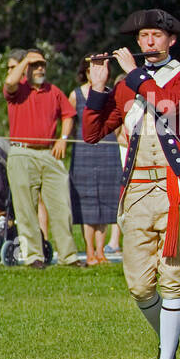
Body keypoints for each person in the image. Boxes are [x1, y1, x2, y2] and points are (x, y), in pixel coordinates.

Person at [82, 8, 180, 359]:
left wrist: (134, 74)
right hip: (136, 191)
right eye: (143, 37)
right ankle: (169, 339)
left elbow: (171, 110)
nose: (148, 43)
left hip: (175, 189)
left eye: (155, 37)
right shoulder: (126, 85)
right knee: (139, 286)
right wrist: (100, 87)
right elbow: (92, 133)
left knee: (173, 278)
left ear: (171, 41)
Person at [3, 48, 83, 268]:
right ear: (26, 68)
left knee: (61, 207)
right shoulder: (17, 89)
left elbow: (68, 115)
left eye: (42, 65)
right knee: (25, 208)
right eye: (34, 64)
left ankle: (69, 256)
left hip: (48, 153)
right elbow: (10, 82)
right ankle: (33, 257)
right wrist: (24, 62)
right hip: (22, 153)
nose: (40, 68)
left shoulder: (53, 91)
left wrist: (63, 138)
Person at [68, 59, 122, 265]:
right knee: (87, 202)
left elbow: (117, 121)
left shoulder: (111, 94)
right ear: (86, 73)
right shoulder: (76, 95)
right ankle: (89, 252)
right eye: (92, 70)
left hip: (107, 149)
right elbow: (69, 122)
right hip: (83, 150)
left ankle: (101, 252)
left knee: (106, 201)